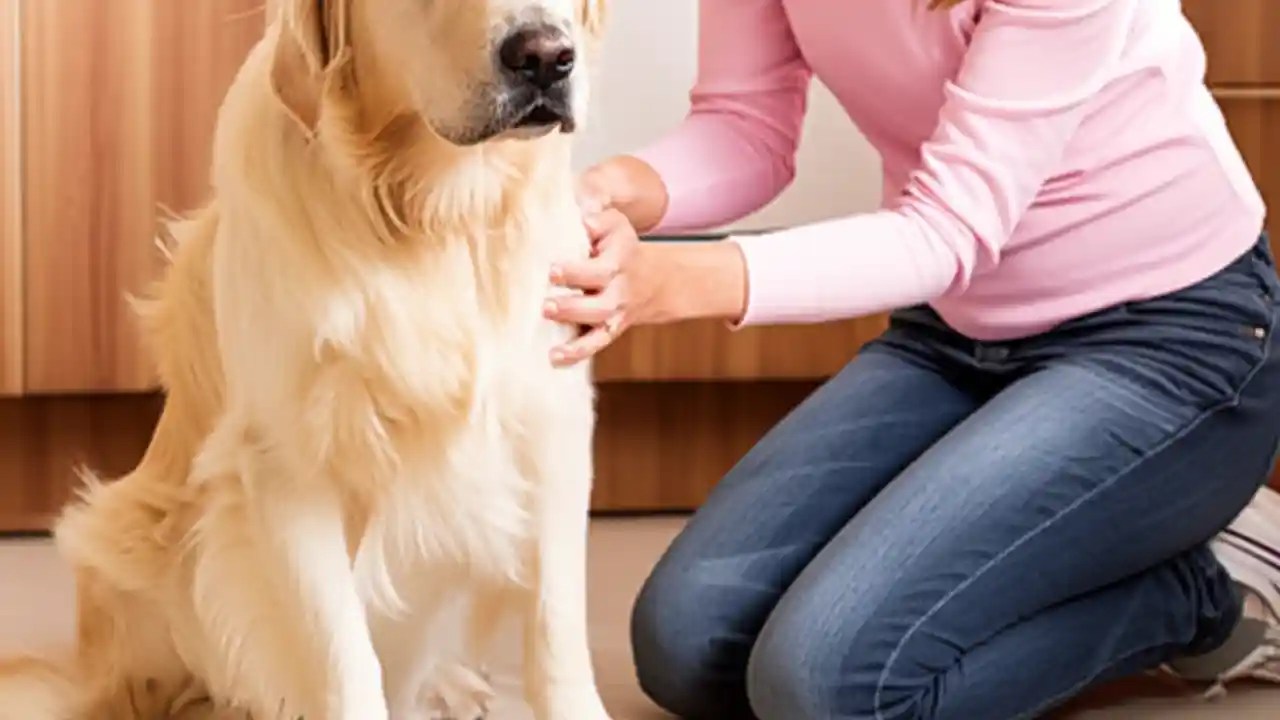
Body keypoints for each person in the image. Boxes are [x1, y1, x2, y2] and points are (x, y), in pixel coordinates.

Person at [545, 0, 1280, 718]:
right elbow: (745, 130)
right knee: (689, 644)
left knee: (826, 689)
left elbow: (947, 230)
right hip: (960, 335)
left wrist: (671, 282)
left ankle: (1191, 593)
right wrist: (596, 193)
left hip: (1166, 339)